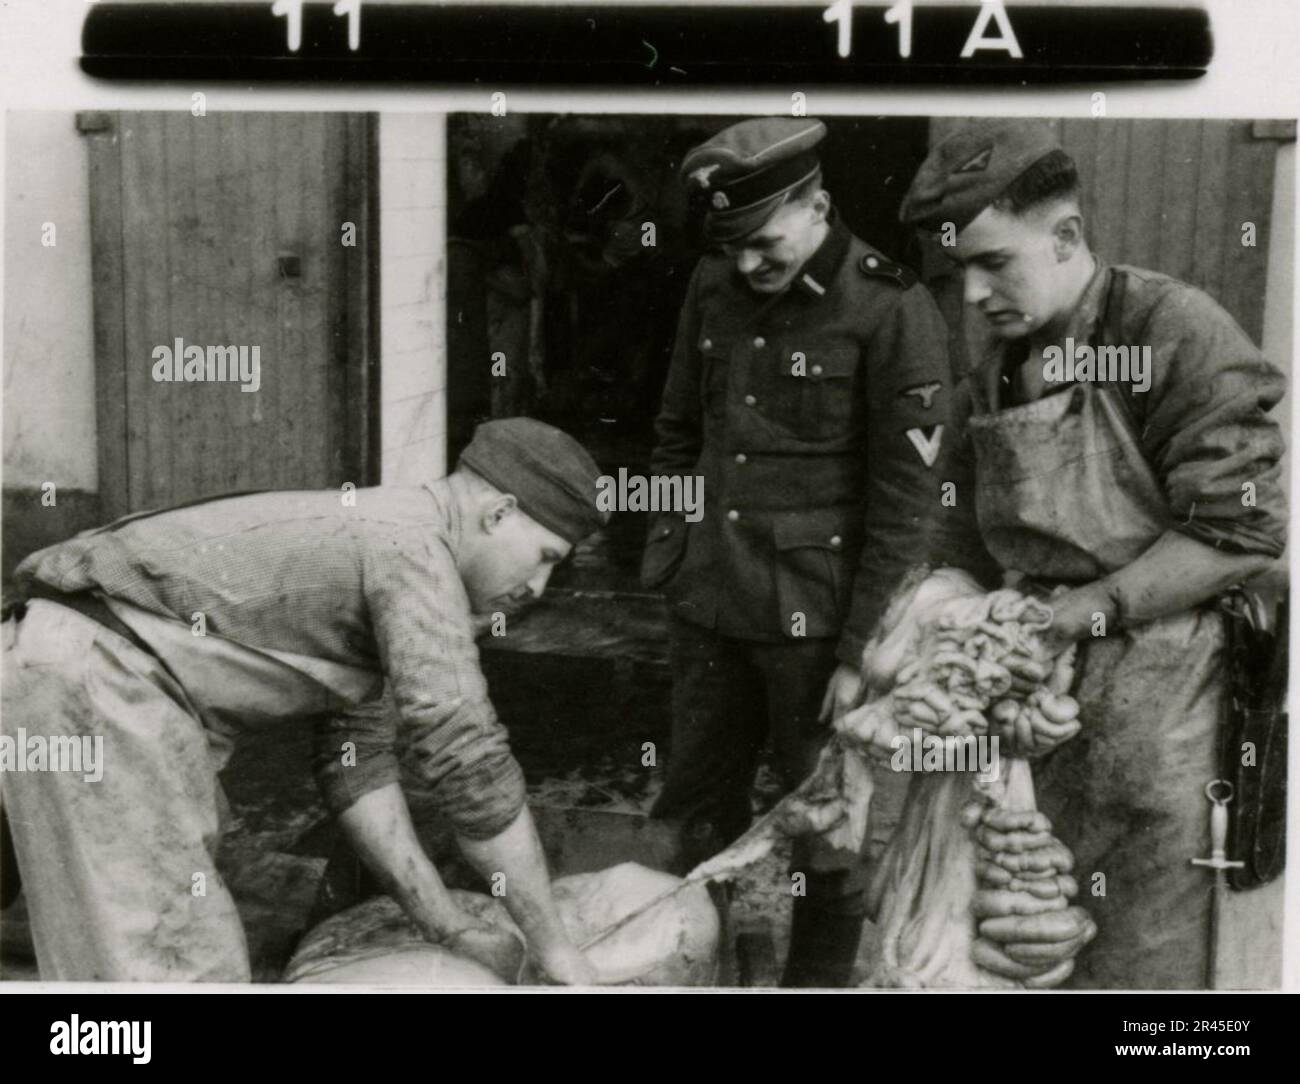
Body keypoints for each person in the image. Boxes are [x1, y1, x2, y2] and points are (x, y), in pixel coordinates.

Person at [2, 418, 610, 984]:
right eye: (545, 558)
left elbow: (357, 761)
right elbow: (467, 757)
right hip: (92, 684)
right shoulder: (413, 551)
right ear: (499, 512)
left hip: (69, 670)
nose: (537, 587)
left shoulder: (396, 534)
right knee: (176, 966)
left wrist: (446, 925)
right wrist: (554, 945)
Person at [899, 119, 1288, 988]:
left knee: (1143, 958)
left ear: (1066, 236)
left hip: (1164, 708)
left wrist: (1081, 611)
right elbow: (954, 526)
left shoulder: (1173, 328)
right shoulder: (997, 357)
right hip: (1032, 704)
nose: (972, 294)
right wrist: (948, 621)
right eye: (957, 269)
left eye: (993, 262)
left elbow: (1242, 529)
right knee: (1024, 940)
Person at [643, 117, 970, 986]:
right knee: (690, 812)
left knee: (828, 826)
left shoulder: (892, 307)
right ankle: (690, 962)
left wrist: (862, 650)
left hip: (816, 627)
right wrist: (672, 557)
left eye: (764, 242)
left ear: (818, 204)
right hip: (709, 603)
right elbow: (677, 430)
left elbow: (909, 503)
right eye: (732, 246)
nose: (749, 264)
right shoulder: (712, 286)